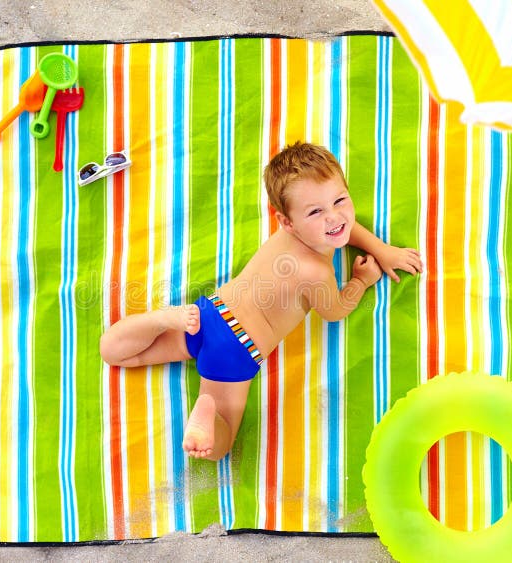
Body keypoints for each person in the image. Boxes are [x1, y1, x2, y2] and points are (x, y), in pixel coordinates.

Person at [99, 142, 422, 461]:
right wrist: (360, 281)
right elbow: (335, 311)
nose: (334, 217)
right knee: (219, 448)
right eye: (316, 211)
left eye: (340, 200)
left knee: (114, 352)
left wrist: (381, 248)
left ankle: (159, 320)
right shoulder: (315, 271)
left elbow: (343, 229)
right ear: (287, 221)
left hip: (207, 314)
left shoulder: (297, 231)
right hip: (238, 348)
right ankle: (208, 411)